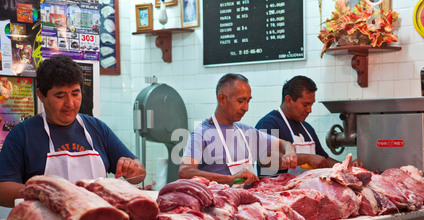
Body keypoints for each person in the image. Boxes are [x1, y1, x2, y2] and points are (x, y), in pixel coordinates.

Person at [0, 55, 146, 207]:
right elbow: (3, 189)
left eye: (75, 94)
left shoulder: (97, 128)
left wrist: (132, 169)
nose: (70, 103)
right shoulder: (23, 134)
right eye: (60, 95)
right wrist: (43, 193)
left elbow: (139, 174)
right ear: (41, 95)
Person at [178, 73, 297, 185]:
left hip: (247, 202)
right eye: (240, 101)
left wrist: (290, 152)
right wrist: (230, 179)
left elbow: (284, 144)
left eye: (248, 101)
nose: (246, 108)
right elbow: (185, 171)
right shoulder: (202, 132)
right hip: (219, 203)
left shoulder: (246, 131)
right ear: (222, 99)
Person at [255, 75, 363, 176]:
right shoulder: (269, 124)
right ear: (288, 100)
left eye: (311, 104)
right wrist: (306, 158)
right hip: (277, 192)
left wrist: (347, 166)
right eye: (305, 104)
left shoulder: (306, 128)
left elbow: (323, 159)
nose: (309, 110)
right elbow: (266, 161)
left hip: (305, 191)